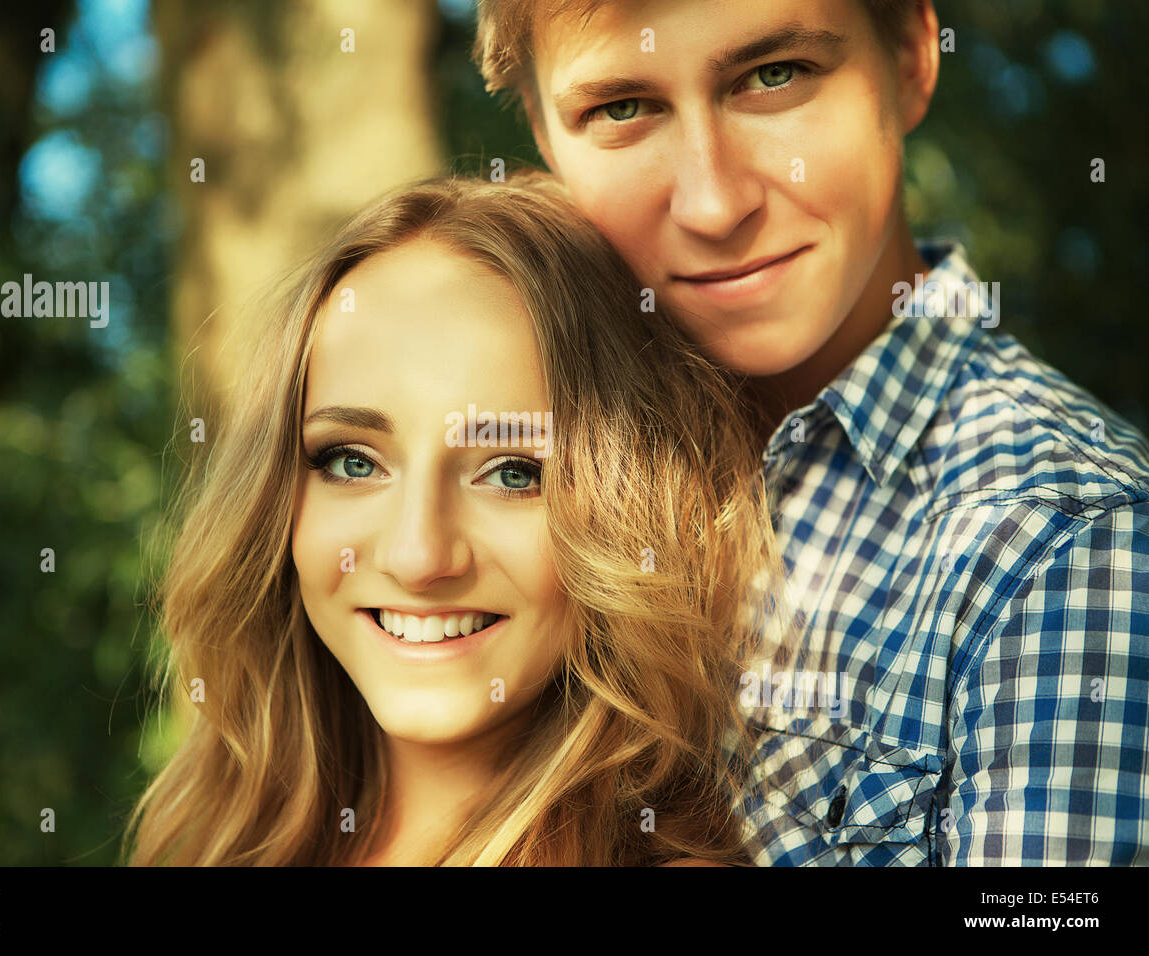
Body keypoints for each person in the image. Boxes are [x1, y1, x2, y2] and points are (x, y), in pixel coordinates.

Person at [473, 0, 1149, 864]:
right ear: (540, 131)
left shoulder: (1070, 544)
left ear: (910, 57)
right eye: (622, 109)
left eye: (774, 76)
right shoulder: (514, 461)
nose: (715, 205)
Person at [123, 170, 794, 866]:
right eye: (353, 462)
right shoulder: (212, 835)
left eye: (512, 473)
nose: (418, 555)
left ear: (631, 515)